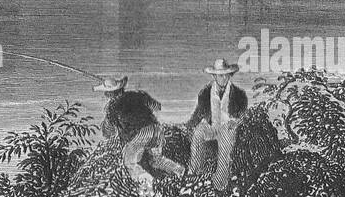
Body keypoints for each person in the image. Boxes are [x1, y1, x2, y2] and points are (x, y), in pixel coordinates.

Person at [95, 75, 185, 190]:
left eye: (106, 93)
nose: (105, 95)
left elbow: (108, 132)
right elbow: (157, 106)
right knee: (156, 159)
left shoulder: (112, 108)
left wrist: (107, 123)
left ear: (109, 94)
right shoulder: (137, 95)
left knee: (130, 162)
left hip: (141, 133)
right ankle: (180, 171)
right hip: (156, 129)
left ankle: (147, 189)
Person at [185, 58, 248, 189]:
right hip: (212, 126)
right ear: (214, 76)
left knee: (226, 141)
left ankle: (220, 184)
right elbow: (199, 112)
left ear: (230, 75)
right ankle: (195, 175)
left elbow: (243, 115)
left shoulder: (239, 94)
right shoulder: (205, 93)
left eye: (226, 75)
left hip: (228, 127)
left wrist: (235, 122)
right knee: (198, 133)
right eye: (220, 75)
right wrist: (190, 125)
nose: (224, 78)